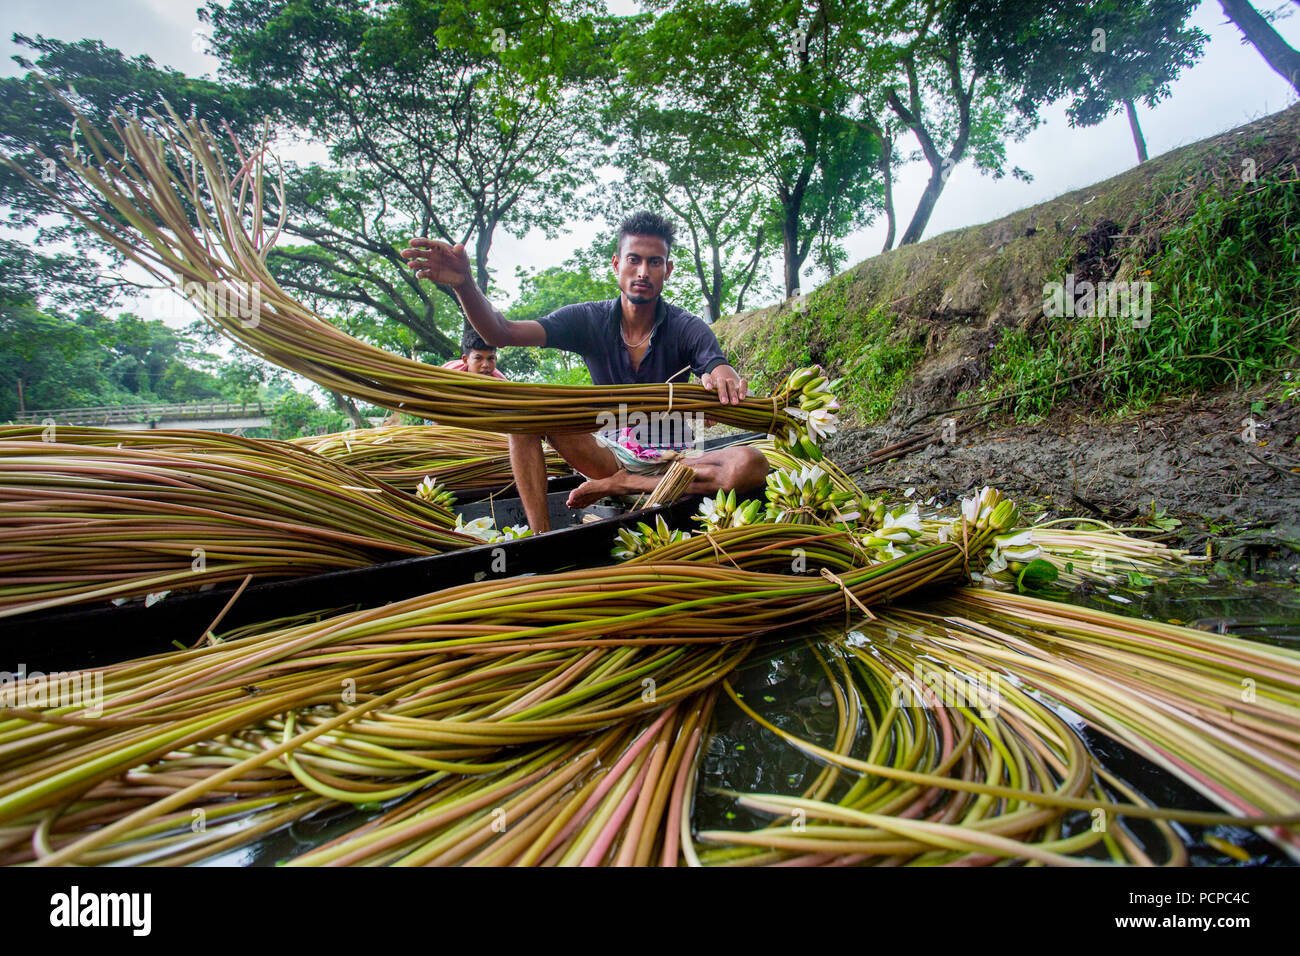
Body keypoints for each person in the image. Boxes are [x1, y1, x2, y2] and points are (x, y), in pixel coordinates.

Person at [402, 211, 769, 532]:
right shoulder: (588, 320)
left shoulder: (686, 326)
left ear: (668, 270)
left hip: (675, 461)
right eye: (634, 259)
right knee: (522, 414)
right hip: (609, 454)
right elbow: (501, 331)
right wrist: (465, 283)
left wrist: (724, 375)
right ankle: (540, 537)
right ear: (616, 264)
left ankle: (622, 485)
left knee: (749, 464)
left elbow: (716, 363)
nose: (643, 271)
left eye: (655, 262)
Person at [441, 326, 509, 379]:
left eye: (490, 358)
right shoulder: (446, 374)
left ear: (495, 359)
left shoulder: (502, 382)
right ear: (465, 360)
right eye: (478, 358)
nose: (485, 365)